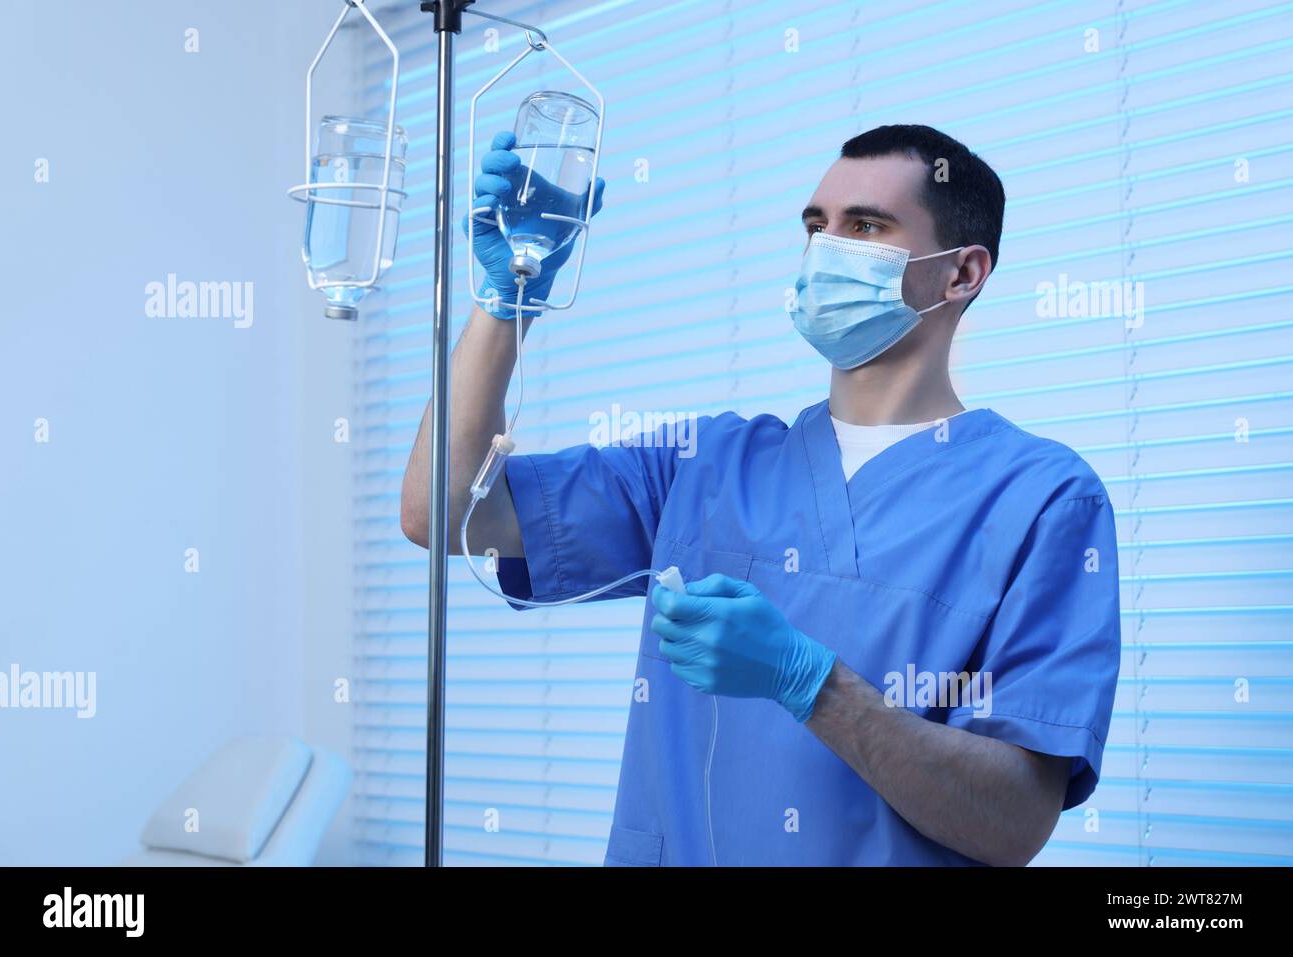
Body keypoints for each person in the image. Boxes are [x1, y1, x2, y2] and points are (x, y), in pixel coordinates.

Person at [401, 124, 1121, 866]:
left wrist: (812, 683)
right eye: (816, 227)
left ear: (961, 273)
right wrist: (507, 297)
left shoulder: (1043, 501)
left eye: (866, 226)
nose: (826, 249)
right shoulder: (701, 465)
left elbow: (1012, 823)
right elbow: (441, 510)